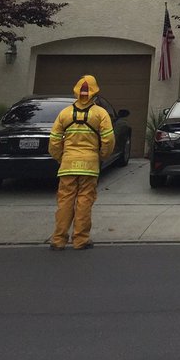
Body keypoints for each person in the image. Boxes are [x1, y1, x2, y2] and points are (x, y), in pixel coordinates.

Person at [47, 74, 115, 251]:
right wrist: (101, 156)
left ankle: (58, 239)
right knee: (85, 200)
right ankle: (80, 240)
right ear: (94, 92)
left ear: (77, 91)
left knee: (65, 201)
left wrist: (61, 158)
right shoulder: (100, 114)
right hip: (89, 165)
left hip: (67, 164)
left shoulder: (64, 113)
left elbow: (54, 141)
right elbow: (108, 140)